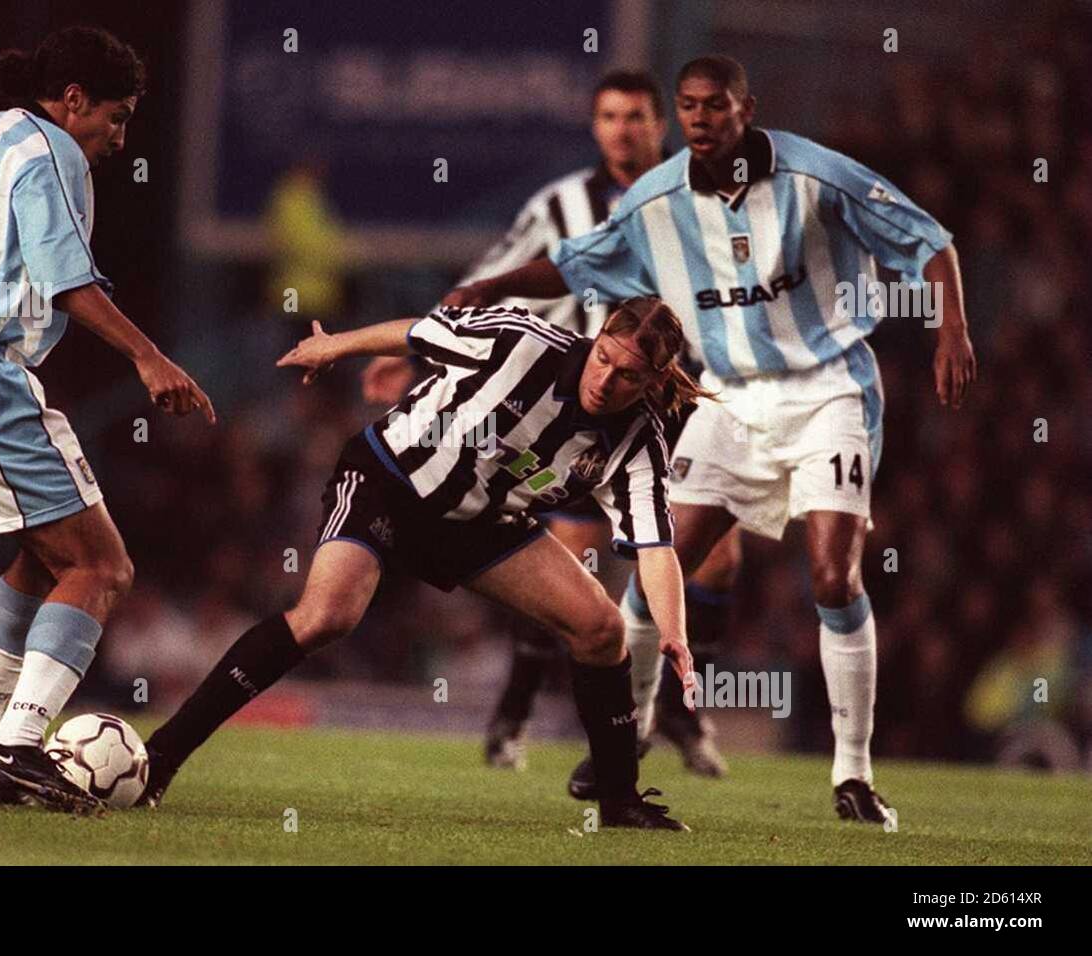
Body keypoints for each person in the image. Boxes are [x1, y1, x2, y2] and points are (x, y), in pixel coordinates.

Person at [442, 55, 977, 823]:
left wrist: (950, 327)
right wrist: (489, 288)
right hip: (729, 399)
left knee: (833, 576)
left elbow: (928, 238)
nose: (698, 118)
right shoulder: (658, 202)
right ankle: (628, 741)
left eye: (713, 106)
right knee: (660, 562)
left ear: (744, 108)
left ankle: (852, 774)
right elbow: (572, 265)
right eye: (688, 105)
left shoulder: (813, 176)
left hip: (828, 388)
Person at [138, 298, 712, 830]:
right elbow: (418, 332)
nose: (605, 380)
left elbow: (658, 549)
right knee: (326, 617)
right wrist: (335, 344)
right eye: (604, 359)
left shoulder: (639, 441)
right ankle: (162, 756)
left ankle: (619, 801)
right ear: (597, 338)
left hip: (480, 524)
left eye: (628, 376)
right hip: (388, 482)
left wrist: (675, 634)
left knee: (601, 628)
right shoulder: (520, 342)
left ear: (655, 382)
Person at [0, 26, 214, 812]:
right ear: (71, 101)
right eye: (116, 116)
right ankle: (20, 746)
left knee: (44, 557)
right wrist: (148, 356)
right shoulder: (48, 149)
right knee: (104, 568)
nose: (119, 138)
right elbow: (67, 278)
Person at [363, 70, 738, 776]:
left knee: (715, 554)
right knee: (577, 558)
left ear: (658, 124)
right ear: (595, 127)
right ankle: (515, 715)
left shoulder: (699, 205)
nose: (623, 129)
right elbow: (486, 282)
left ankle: (682, 712)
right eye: (608, 116)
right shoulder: (559, 205)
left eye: (635, 116)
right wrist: (411, 356)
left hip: (673, 404)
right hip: (571, 405)